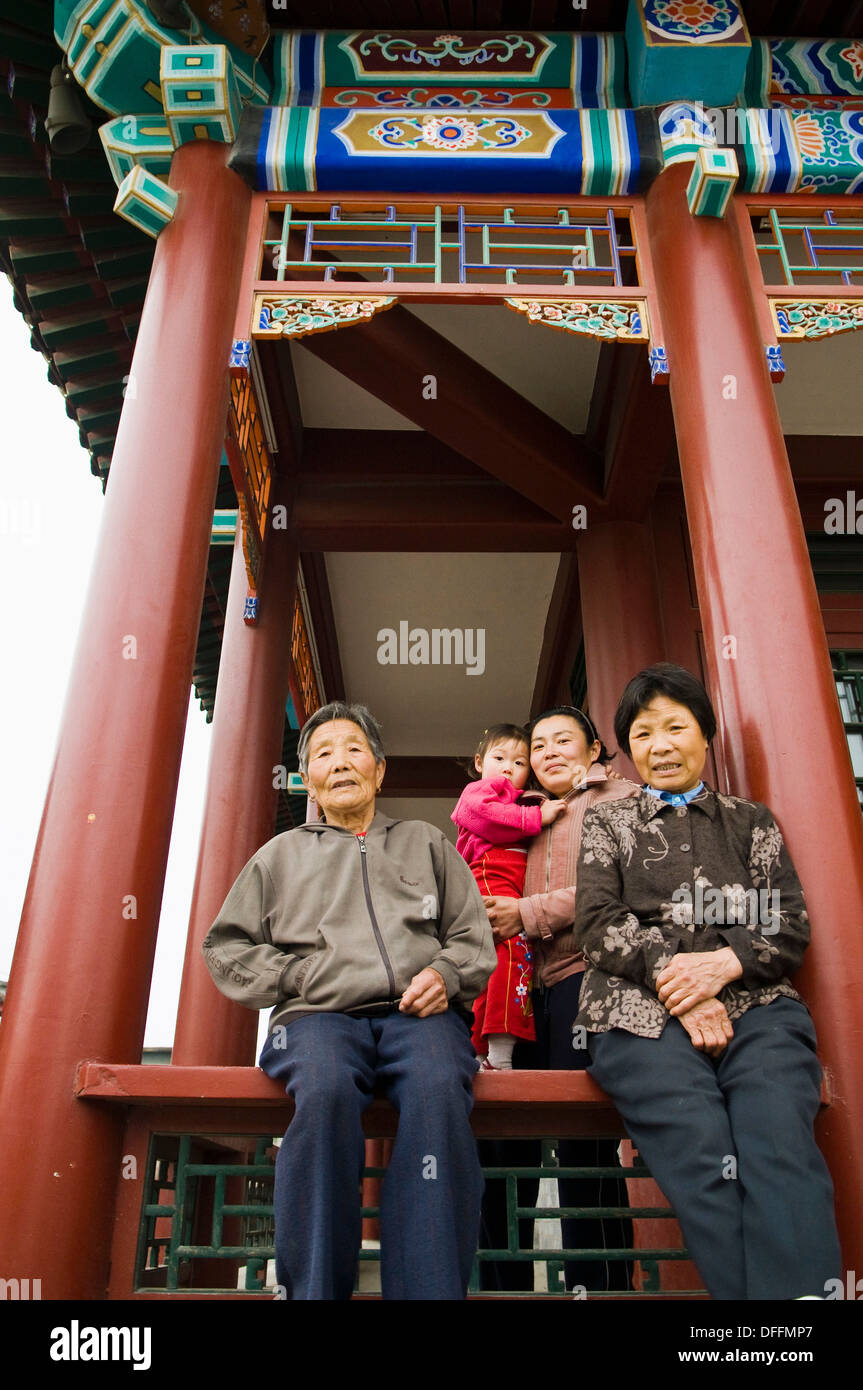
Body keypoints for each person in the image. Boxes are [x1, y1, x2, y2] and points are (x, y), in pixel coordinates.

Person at [201, 701, 496, 1301]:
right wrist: (298, 977)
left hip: (420, 1015)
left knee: (441, 1090)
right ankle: (314, 1293)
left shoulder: (427, 843)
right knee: (327, 1090)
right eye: (323, 755)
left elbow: (472, 938)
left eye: (354, 749)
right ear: (307, 778)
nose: (339, 763)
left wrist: (444, 973)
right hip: (315, 1019)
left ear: (379, 770)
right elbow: (226, 947)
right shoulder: (278, 856)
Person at [574, 663, 842, 1300]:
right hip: (636, 1011)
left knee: (780, 1146)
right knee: (701, 1153)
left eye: (675, 728)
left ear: (706, 735)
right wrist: (678, 980)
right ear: (629, 749)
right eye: (642, 734)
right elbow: (598, 923)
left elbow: (787, 922)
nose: (660, 746)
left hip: (757, 1005)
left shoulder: (751, 822)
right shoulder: (608, 823)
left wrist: (722, 965)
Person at [480, 705, 639, 1293]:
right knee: (499, 1128)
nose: (546, 752)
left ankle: (599, 1286)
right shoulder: (519, 813)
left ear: (594, 750)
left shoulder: (617, 798)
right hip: (522, 987)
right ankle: (502, 1284)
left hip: (585, 977)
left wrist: (524, 913)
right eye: (537, 744)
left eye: (562, 741)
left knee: (580, 1133)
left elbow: (616, 884)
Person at [451, 723, 566, 1069]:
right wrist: (536, 816)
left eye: (518, 763)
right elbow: (487, 818)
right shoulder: (478, 793)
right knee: (513, 955)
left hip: (515, 892)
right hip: (491, 879)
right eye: (499, 758)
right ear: (478, 762)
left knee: (495, 965)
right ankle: (500, 1054)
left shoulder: (521, 801)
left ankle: (482, 1053)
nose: (507, 768)